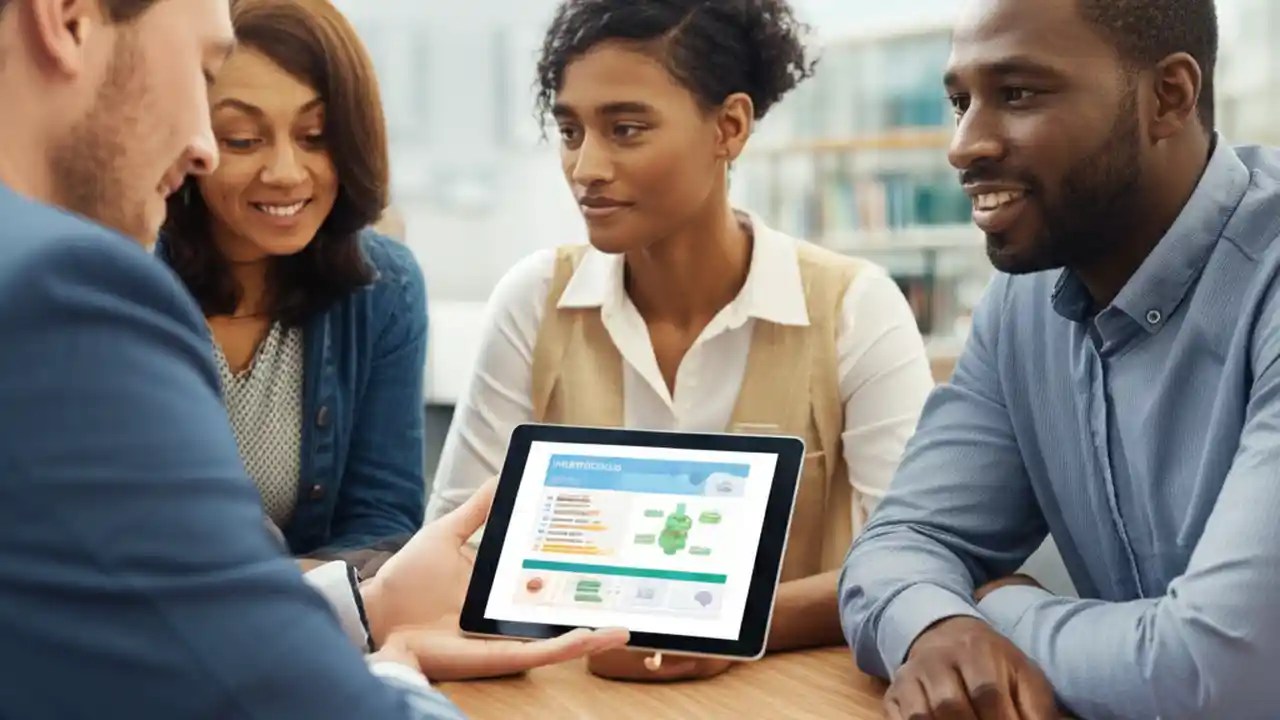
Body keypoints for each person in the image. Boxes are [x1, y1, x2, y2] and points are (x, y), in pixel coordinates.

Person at [0, 0, 627, 717]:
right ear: (67, 20)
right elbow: (235, 640)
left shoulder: (378, 285)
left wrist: (368, 603)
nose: (202, 144)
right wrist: (393, 666)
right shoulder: (72, 289)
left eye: (318, 136)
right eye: (225, 114)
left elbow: (356, 541)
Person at [430, 0, 935, 681]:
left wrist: (722, 632)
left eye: (627, 129)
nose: (586, 167)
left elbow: (911, 563)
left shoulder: (854, 308)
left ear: (729, 127)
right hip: (568, 695)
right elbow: (453, 550)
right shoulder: (534, 301)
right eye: (571, 130)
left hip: (789, 697)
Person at [839, 0, 1280, 717]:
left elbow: (1225, 674)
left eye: (1017, 94)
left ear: (1168, 97)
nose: (964, 144)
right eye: (960, 101)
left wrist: (1002, 606)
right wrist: (937, 625)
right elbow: (905, 541)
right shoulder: (1026, 301)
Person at [155, 0, 425, 569]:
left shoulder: (384, 287)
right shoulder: (122, 281)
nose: (285, 172)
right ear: (192, 139)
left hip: (306, 629)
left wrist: (271, 589)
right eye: (243, 139)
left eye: (315, 136)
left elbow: (383, 526)